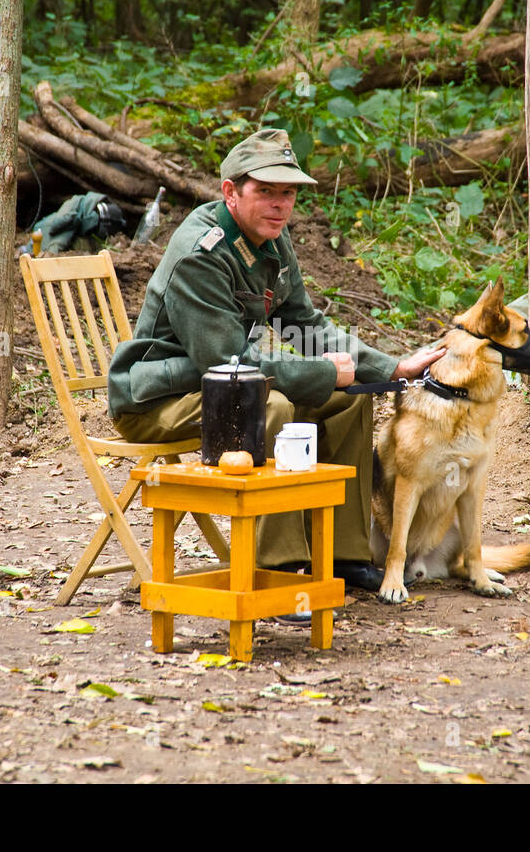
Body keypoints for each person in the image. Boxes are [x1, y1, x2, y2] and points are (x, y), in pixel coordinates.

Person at [107, 128, 444, 590]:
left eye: (287, 194)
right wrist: (322, 371)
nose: (279, 205)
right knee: (271, 406)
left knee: (347, 401)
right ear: (231, 192)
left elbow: (303, 323)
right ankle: (276, 570)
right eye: (266, 192)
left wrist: (388, 367)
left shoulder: (271, 239)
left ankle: (341, 558)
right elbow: (227, 361)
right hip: (154, 399)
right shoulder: (200, 255)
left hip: (219, 384)